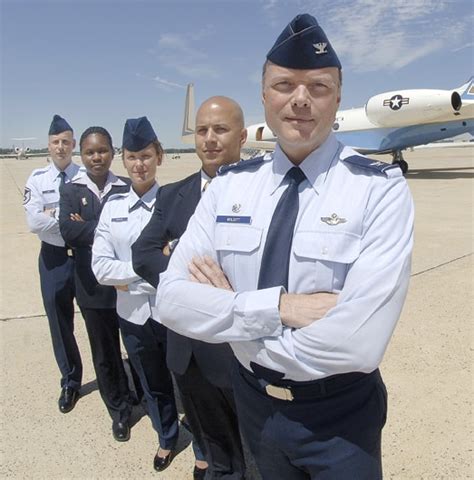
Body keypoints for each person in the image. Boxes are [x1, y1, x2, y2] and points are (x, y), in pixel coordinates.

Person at [155, 13, 414, 480]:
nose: (300, 99)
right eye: (284, 84)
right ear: (263, 95)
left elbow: (358, 344)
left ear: (337, 98)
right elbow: (172, 301)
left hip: (342, 417)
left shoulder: (379, 189)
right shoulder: (228, 187)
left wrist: (232, 320)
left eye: (317, 86)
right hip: (255, 409)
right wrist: (281, 307)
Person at [132, 97, 247, 480]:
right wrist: (193, 282)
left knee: (254, 448)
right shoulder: (172, 196)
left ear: (242, 136)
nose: (209, 139)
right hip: (190, 354)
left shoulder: (265, 189)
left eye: (220, 130)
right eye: (201, 131)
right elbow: (144, 253)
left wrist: (178, 256)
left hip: (241, 350)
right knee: (215, 450)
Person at [91, 117, 179, 472]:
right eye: (132, 157)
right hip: (133, 316)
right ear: (122, 160)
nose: (139, 164)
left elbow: (182, 263)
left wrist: (126, 276)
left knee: (191, 382)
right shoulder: (112, 209)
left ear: (158, 156)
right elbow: (100, 267)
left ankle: (204, 442)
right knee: (152, 381)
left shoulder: (175, 203)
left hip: (173, 313)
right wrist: (147, 272)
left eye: (146, 155)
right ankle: (167, 437)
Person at [59, 126, 134, 442]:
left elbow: (138, 231)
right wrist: (112, 229)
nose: (96, 157)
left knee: (138, 347)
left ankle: (143, 394)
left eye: (102, 150)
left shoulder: (127, 187)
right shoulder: (71, 190)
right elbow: (67, 231)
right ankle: (118, 410)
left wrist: (88, 227)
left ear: (113, 152)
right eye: (89, 152)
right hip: (91, 288)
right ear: (82, 155)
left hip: (128, 285)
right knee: (104, 353)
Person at [23, 114, 84, 413]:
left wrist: (53, 216)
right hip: (53, 259)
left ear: (73, 144)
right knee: (60, 325)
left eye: (66, 142)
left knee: (102, 321)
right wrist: (70, 222)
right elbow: (34, 222)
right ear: (48, 145)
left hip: (85, 259)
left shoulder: (85, 177)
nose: (61, 147)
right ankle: (70, 381)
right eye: (55, 142)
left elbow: (94, 219)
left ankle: (118, 379)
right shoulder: (37, 179)